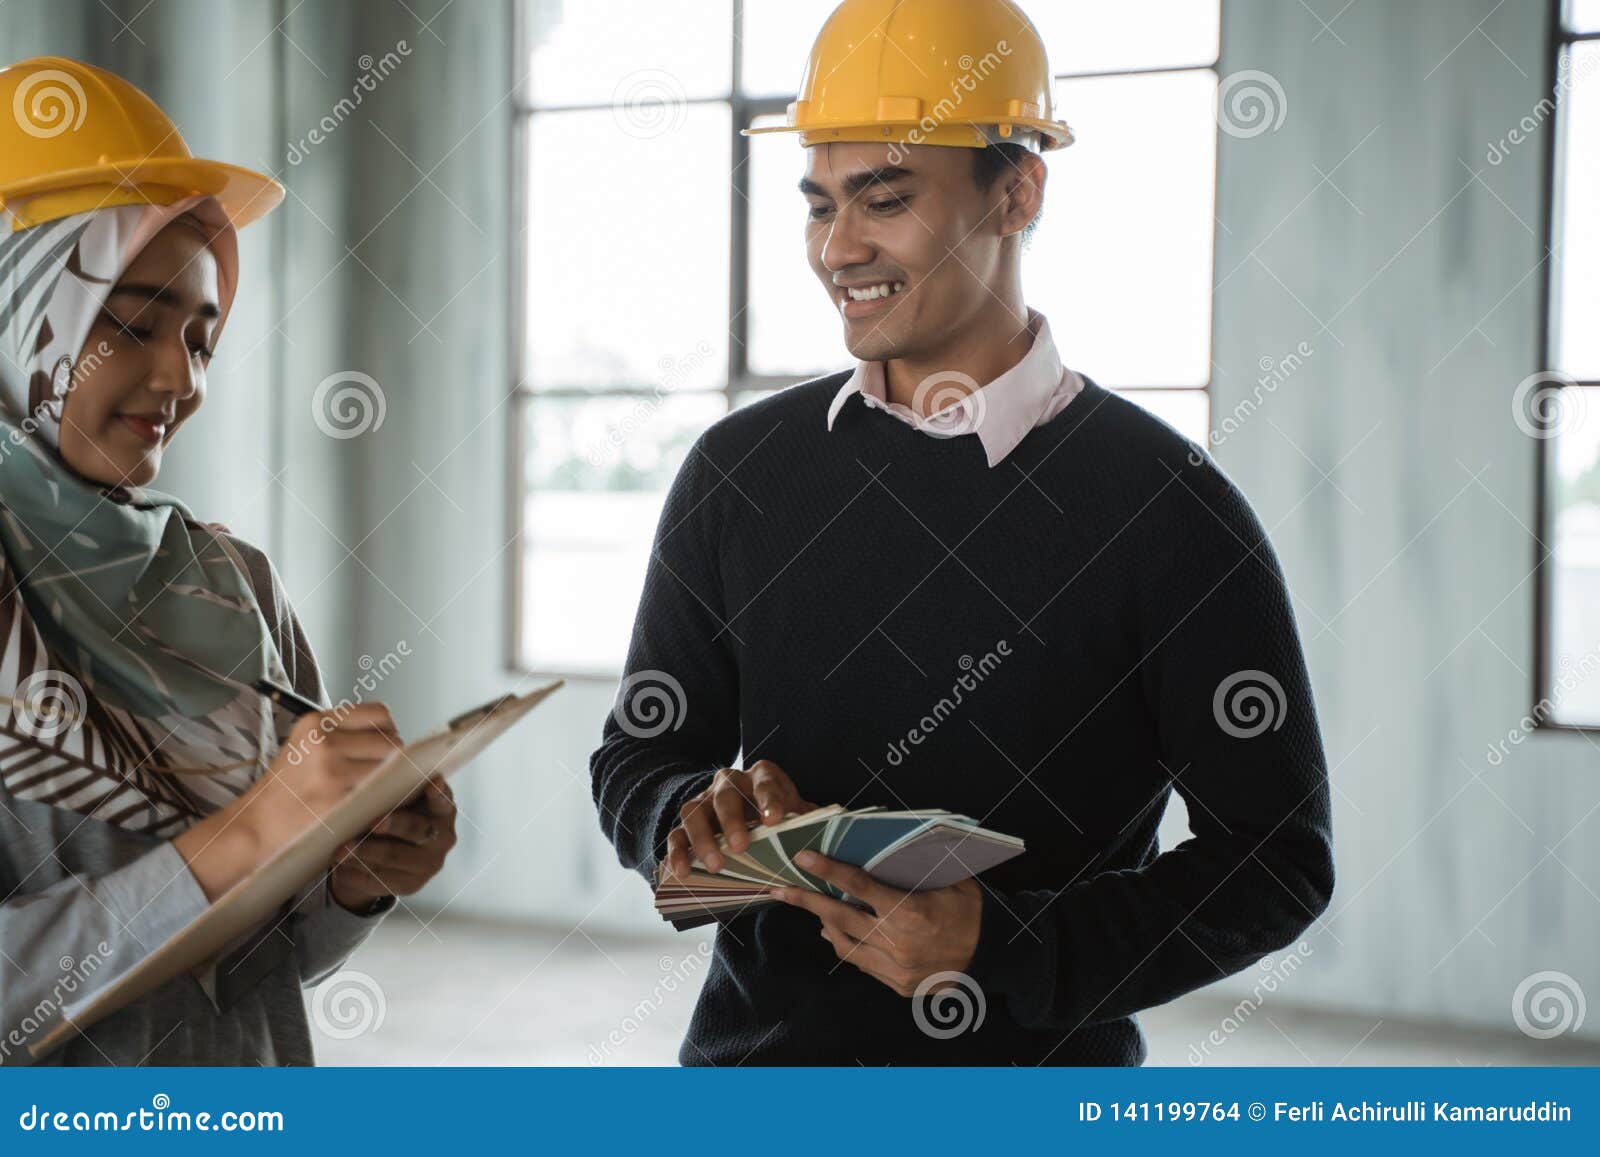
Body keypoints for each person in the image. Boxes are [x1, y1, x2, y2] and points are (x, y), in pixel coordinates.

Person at [591, 0, 1334, 1065]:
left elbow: (1275, 862)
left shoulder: (1168, 508)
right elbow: (640, 752)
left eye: (885, 198)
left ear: (1018, 191)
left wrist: (1004, 945)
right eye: (819, 205)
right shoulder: (741, 473)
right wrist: (688, 810)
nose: (838, 248)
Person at [0, 57, 456, 1066]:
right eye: (131, 324)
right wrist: (246, 836)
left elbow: (267, 958)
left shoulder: (230, 580)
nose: (180, 377)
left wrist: (350, 879)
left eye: (202, 339)